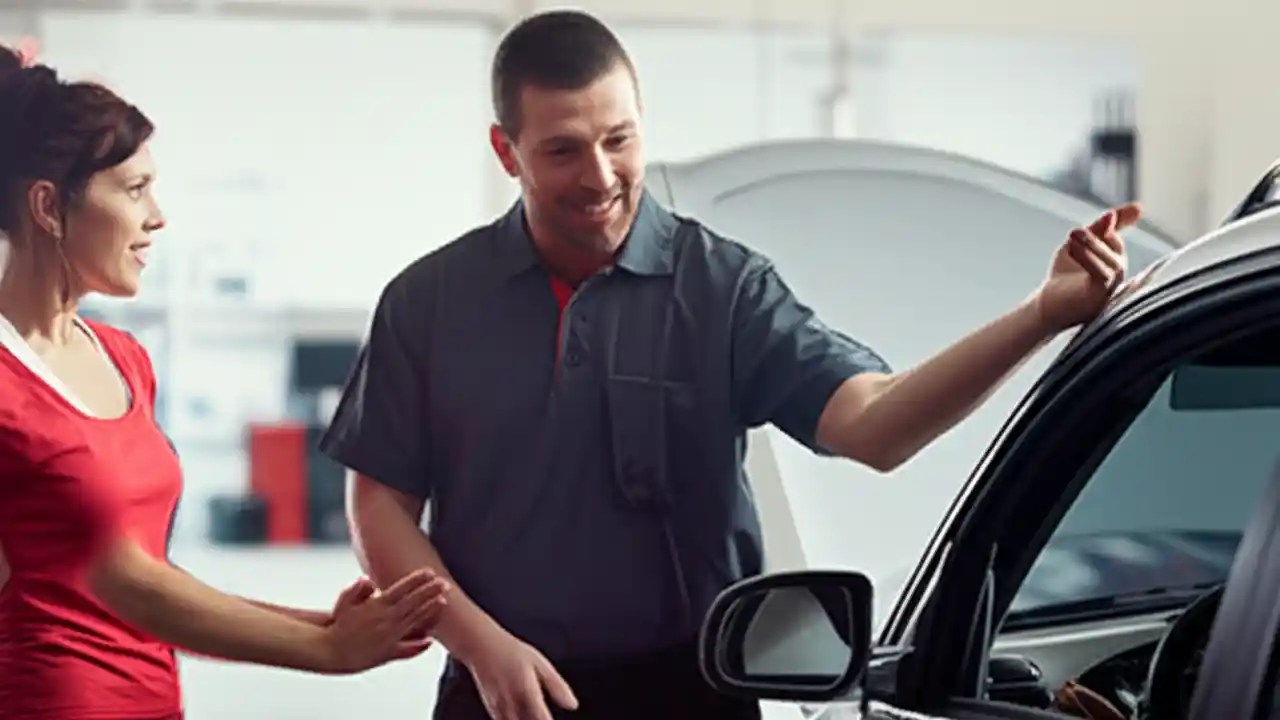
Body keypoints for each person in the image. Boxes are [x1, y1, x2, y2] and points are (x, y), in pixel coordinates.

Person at [320, 9, 1138, 720]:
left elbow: (875, 426)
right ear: (507, 152)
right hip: (499, 696)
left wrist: (1040, 316)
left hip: (691, 694)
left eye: (619, 139)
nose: (601, 177)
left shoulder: (723, 288)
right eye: (563, 150)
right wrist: (479, 645)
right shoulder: (429, 302)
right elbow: (379, 505)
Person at [0, 45, 450, 720]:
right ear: (48, 206)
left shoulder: (123, 358)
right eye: (134, 189)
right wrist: (325, 649)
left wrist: (325, 625)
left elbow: (156, 580)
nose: (157, 216)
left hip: (154, 698)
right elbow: (119, 578)